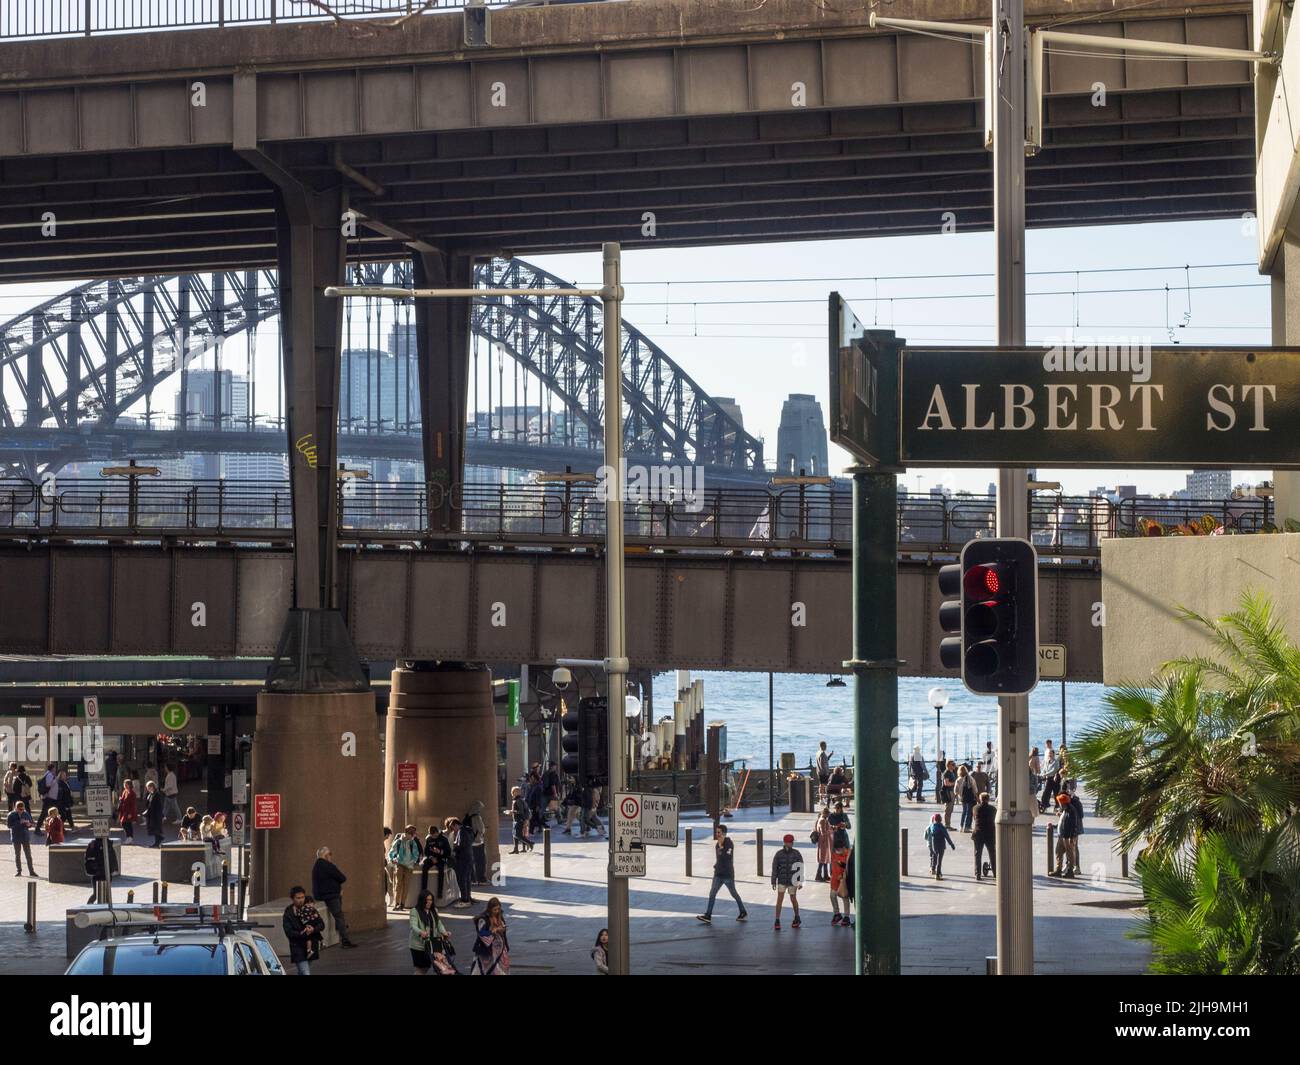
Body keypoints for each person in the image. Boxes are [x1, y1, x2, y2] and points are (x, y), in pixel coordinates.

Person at [696, 824, 748, 924]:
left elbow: (726, 858)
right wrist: (716, 866)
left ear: (724, 833)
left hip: (728, 875)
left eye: (719, 832)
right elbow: (719, 859)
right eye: (716, 832)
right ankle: (708, 915)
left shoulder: (729, 843)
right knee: (712, 894)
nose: (717, 834)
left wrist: (721, 846)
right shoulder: (717, 845)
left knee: (734, 894)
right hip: (718, 875)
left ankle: (743, 912)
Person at [311, 845, 357, 948]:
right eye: (330, 854)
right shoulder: (328, 865)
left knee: (336, 917)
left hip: (320, 896)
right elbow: (342, 878)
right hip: (332, 896)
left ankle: (338, 935)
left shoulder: (316, 866)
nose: (331, 856)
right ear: (326, 855)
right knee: (339, 917)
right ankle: (345, 940)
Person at [409, 889, 455, 975]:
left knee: (442, 967)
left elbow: (439, 924)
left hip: (433, 944)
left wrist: (444, 932)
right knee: (422, 969)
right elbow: (413, 926)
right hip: (419, 946)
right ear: (422, 900)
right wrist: (421, 932)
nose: (429, 902)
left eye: (430, 900)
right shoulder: (415, 911)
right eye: (427, 900)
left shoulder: (434, 910)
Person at [282, 885, 325, 975]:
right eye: (298, 898)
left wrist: (313, 929)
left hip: (311, 946)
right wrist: (302, 933)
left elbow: (321, 924)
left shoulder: (310, 909)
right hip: (297, 946)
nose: (301, 900)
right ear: (292, 898)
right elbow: (289, 932)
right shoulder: (289, 913)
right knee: (305, 972)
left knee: (303, 971)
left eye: (302, 897)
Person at [770, 833, 804, 930]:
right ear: (785, 843)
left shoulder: (795, 853)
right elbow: (775, 868)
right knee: (779, 900)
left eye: (791, 842)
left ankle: (797, 916)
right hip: (782, 880)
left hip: (792, 881)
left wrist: (800, 881)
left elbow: (800, 868)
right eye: (789, 842)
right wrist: (773, 880)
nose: (790, 844)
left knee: (793, 899)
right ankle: (777, 919)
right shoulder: (779, 854)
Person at [470, 896, 510, 975]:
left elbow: (503, 929)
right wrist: (492, 931)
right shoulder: (483, 919)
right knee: (484, 969)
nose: (497, 911)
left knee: (501, 968)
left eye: (498, 909)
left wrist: (502, 929)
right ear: (490, 909)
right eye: (495, 909)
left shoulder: (499, 916)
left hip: (500, 948)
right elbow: (481, 933)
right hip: (487, 950)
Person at [388, 826, 421, 912]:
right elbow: (391, 852)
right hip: (399, 864)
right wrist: (392, 859)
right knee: (398, 884)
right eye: (412, 834)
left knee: (406, 885)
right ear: (407, 833)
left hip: (409, 866)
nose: (413, 836)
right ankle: (396, 903)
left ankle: (402, 904)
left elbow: (416, 853)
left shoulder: (412, 842)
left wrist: (412, 861)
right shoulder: (398, 842)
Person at [1049, 793, 1079, 878]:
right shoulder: (1065, 810)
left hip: (1068, 837)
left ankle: (1070, 872)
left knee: (1070, 855)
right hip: (1062, 835)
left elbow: (1073, 825)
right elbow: (1062, 823)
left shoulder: (1071, 811)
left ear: (1063, 803)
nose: (1059, 804)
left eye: (1060, 803)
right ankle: (1058, 870)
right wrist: (1055, 826)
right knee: (1058, 852)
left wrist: (1071, 837)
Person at [83, 837, 119, 904]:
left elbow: (112, 857)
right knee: (101, 895)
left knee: (97, 895)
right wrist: (114, 868)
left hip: (100, 873)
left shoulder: (107, 844)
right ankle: (92, 908)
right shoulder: (106, 844)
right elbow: (113, 857)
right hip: (101, 873)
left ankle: (90, 907)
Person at [829, 827, 853, 926]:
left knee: (844, 897)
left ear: (844, 848)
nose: (838, 851)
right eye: (837, 849)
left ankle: (846, 916)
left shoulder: (848, 855)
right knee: (832, 896)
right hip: (835, 880)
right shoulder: (834, 854)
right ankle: (837, 913)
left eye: (840, 849)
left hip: (844, 880)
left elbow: (849, 868)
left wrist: (843, 875)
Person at [421, 823, 452, 897]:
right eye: (431, 835)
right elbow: (426, 851)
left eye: (434, 835)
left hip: (441, 858)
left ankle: (439, 892)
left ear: (437, 832)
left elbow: (448, 852)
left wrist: (440, 852)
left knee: (441, 870)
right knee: (424, 867)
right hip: (432, 858)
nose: (433, 837)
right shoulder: (429, 839)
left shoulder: (444, 839)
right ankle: (424, 890)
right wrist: (431, 857)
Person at [451, 816, 475, 908]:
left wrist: (454, 847)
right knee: (467, 879)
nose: (454, 830)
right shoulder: (468, 830)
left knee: (461, 879)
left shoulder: (461, 832)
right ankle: (468, 898)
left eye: (453, 828)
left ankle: (464, 899)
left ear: (456, 825)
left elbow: (461, 845)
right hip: (469, 858)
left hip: (462, 859)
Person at [7, 801, 35, 877]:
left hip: (25, 836)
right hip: (16, 837)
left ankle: (31, 871)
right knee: (17, 855)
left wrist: (29, 824)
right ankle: (19, 871)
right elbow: (9, 826)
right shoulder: (11, 815)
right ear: (16, 808)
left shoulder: (26, 813)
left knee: (28, 855)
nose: (21, 811)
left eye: (22, 809)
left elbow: (31, 823)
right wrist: (19, 822)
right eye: (20, 809)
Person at [972, 792, 996, 880]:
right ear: (988, 799)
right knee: (992, 853)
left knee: (977, 854)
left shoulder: (975, 808)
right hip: (990, 833)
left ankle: (977, 874)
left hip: (978, 833)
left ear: (980, 799)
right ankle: (995, 872)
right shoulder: (993, 809)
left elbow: (974, 818)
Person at [924, 812, 956, 880]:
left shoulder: (932, 826)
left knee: (934, 856)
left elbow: (927, 836)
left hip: (934, 845)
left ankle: (933, 868)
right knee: (939, 860)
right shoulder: (942, 827)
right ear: (941, 819)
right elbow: (947, 837)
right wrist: (952, 844)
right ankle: (938, 874)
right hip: (941, 845)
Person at [464, 800, 488, 884]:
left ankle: (472, 879)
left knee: (471, 862)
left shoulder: (468, 816)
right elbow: (481, 829)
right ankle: (481, 879)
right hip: (478, 842)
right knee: (481, 861)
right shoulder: (477, 817)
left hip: (470, 842)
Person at [142, 779, 164, 847]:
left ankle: (157, 842)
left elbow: (158, 805)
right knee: (154, 828)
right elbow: (148, 803)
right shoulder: (150, 794)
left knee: (155, 828)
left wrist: (159, 815)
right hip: (152, 814)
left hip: (155, 814)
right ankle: (158, 840)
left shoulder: (157, 794)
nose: (147, 789)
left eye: (148, 787)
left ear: (152, 786)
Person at [509, 786, 531, 853]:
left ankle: (529, 844)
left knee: (518, 834)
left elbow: (521, 811)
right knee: (516, 834)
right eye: (513, 791)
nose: (513, 793)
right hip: (517, 819)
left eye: (515, 791)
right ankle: (517, 849)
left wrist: (512, 812)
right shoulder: (517, 800)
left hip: (519, 820)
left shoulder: (518, 800)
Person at [813, 806, 833, 881]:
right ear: (825, 813)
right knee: (822, 859)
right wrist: (831, 830)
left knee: (825, 859)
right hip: (824, 842)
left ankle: (825, 875)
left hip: (824, 842)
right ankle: (818, 875)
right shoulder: (822, 820)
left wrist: (831, 827)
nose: (828, 815)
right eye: (827, 814)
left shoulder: (821, 819)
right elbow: (823, 832)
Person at [956, 764, 976, 832]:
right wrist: (976, 796)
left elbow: (955, 791)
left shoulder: (958, 779)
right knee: (969, 812)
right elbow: (974, 788)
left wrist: (960, 795)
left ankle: (961, 826)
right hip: (970, 797)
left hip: (963, 798)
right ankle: (967, 827)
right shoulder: (970, 778)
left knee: (964, 811)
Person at [940, 760, 957, 828]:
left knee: (950, 809)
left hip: (952, 791)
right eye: (953, 764)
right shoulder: (947, 773)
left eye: (954, 764)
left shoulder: (952, 772)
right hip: (948, 792)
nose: (954, 765)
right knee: (948, 808)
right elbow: (946, 783)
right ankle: (947, 825)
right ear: (948, 765)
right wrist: (955, 783)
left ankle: (948, 824)